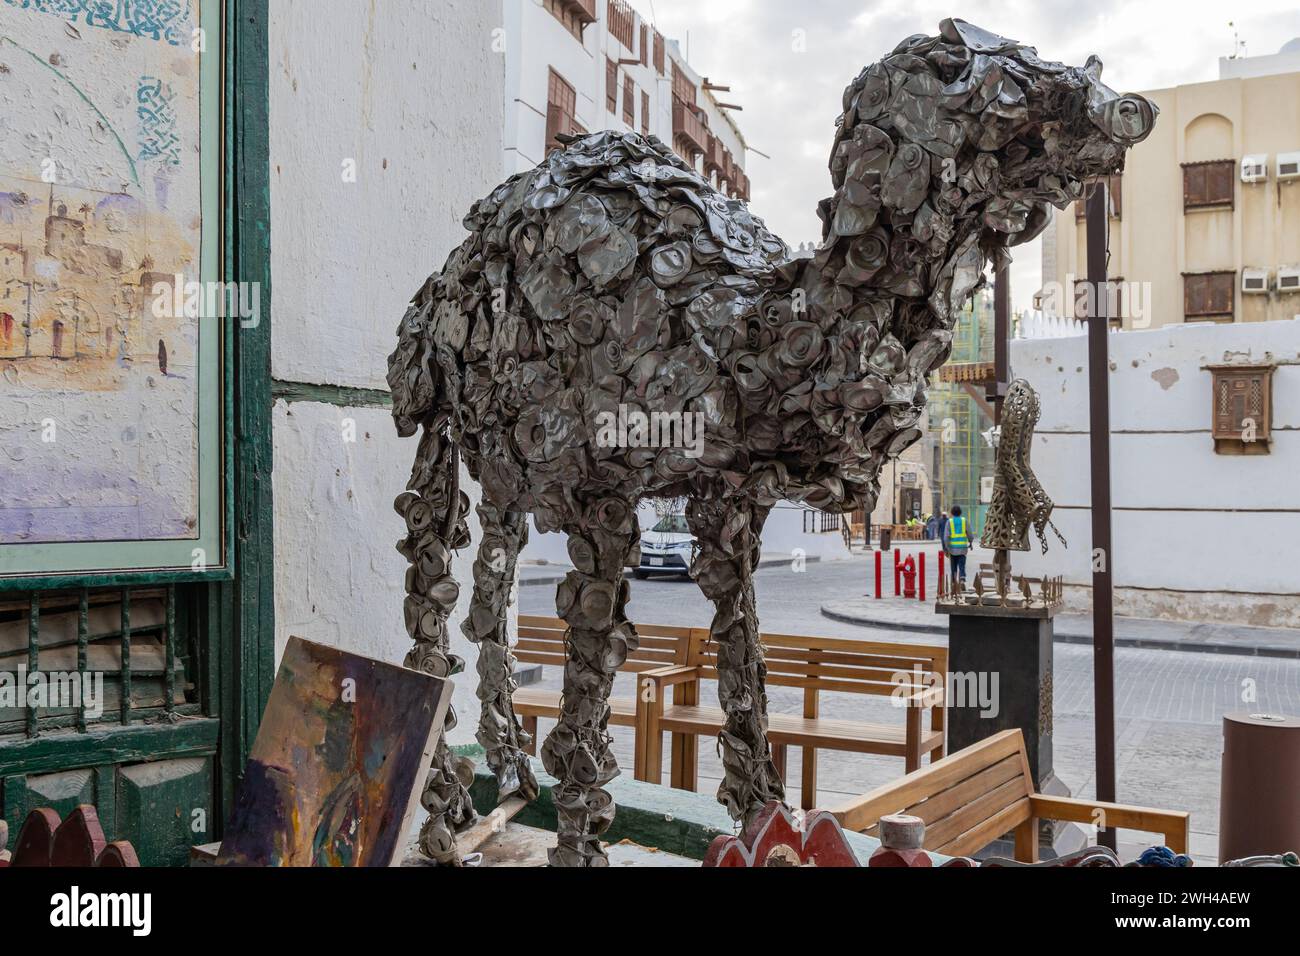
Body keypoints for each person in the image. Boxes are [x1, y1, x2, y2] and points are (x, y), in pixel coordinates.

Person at [943, 505, 969, 589]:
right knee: (962, 565)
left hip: (952, 549)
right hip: (962, 548)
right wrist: (971, 541)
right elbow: (970, 533)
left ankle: (954, 583)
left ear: (951, 513)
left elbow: (946, 537)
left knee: (953, 567)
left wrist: (946, 548)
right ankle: (962, 579)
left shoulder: (949, 522)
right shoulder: (964, 521)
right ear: (960, 512)